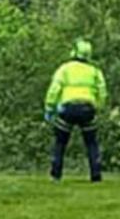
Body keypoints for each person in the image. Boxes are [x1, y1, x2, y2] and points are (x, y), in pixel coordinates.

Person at [46, 38, 107, 182]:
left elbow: (55, 89)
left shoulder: (65, 69)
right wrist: (98, 107)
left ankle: (56, 174)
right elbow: (102, 91)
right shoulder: (94, 71)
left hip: (68, 108)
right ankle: (96, 175)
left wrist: (50, 107)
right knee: (91, 142)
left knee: (60, 142)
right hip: (88, 108)